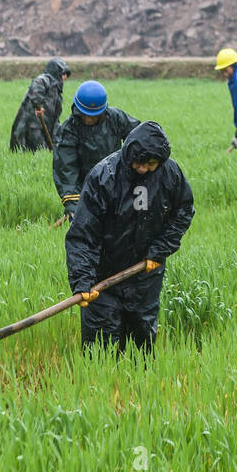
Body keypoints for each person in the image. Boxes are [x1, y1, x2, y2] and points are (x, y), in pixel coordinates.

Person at [65, 122, 195, 355]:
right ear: (129, 154)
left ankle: (138, 388)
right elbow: (83, 235)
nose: (144, 169)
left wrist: (160, 250)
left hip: (146, 272)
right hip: (103, 277)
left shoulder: (170, 174)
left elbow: (183, 212)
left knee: (141, 345)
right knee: (100, 349)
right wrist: (82, 281)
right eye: (139, 163)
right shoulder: (104, 177)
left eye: (151, 164)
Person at [52, 80, 140, 220]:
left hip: (116, 179)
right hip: (86, 187)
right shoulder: (69, 131)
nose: (88, 119)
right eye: (85, 114)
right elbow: (66, 169)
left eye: (93, 115)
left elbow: (139, 137)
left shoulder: (115, 118)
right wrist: (73, 204)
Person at [10, 57, 69, 152]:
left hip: (46, 125)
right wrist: (38, 106)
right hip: (34, 123)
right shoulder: (44, 80)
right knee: (35, 149)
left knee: (44, 150)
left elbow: (56, 116)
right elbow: (35, 91)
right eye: (63, 74)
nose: (65, 77)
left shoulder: (57, 92)